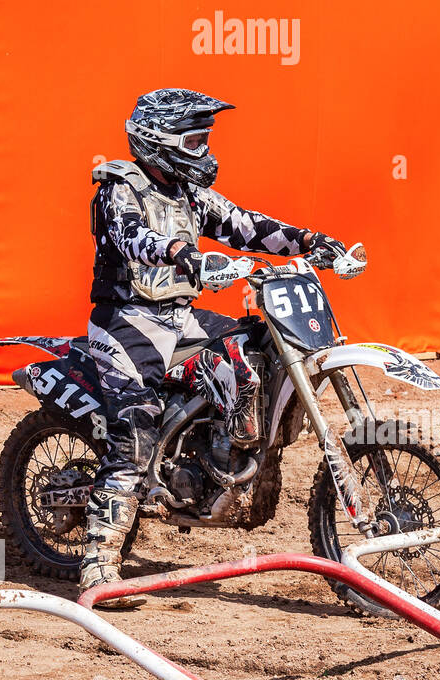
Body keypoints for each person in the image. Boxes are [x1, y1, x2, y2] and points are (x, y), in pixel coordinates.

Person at [81, 88, 347, 604]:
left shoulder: (187, 191)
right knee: (134, 430)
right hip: (127, 322)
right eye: (195, 138)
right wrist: (184, 255)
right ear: (160, 139)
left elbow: (246, 226)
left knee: (255, 348)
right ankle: (99, 562)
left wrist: (309, 242)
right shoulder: (119, 188)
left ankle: (224, 458)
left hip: (181, 316)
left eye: (206, 139)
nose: (203, 149)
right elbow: (134, 239)